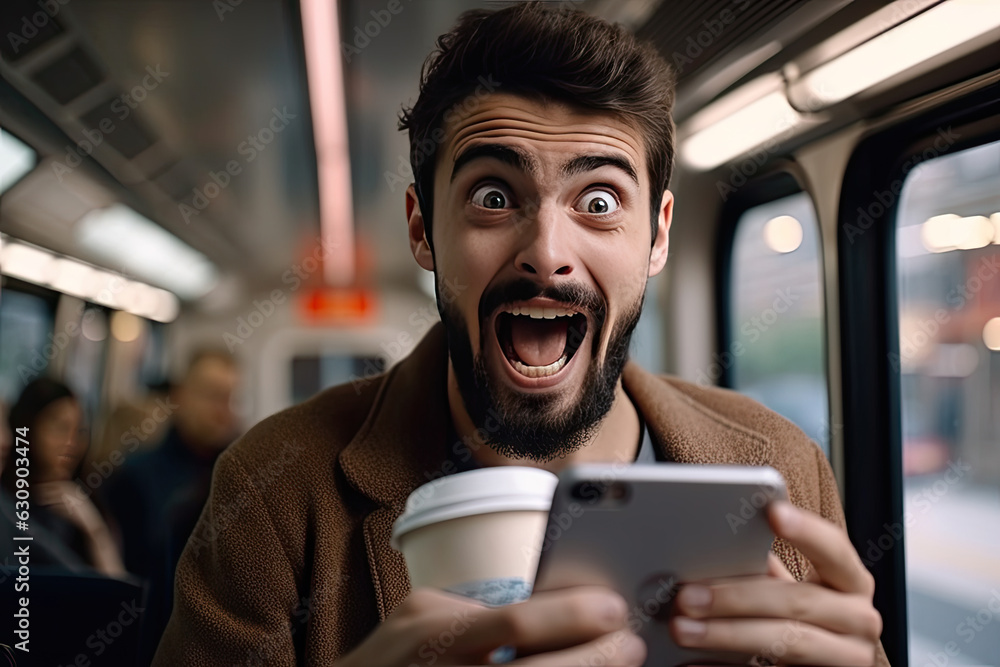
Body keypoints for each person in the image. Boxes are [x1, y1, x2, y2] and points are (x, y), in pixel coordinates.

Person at [156, 4, 888, 665]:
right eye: (493, 196)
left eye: (599, 201)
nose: (546, 252)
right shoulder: (273, 491)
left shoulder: (782, 470)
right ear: (423, 228)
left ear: (658, 235)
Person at [105, 349, 240, 664]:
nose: (223, 411)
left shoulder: (245, 475)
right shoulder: (136, 477)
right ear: (181, 396)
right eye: (213, 396)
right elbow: (129, 578)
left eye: (231, 398)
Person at [0, 378, 126, 576]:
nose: (71, 443)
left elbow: (118, 586)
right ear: (27, 428)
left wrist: (95, 531)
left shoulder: (89, 499)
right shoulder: (8, 503)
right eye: (60, 428)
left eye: (80, 431)